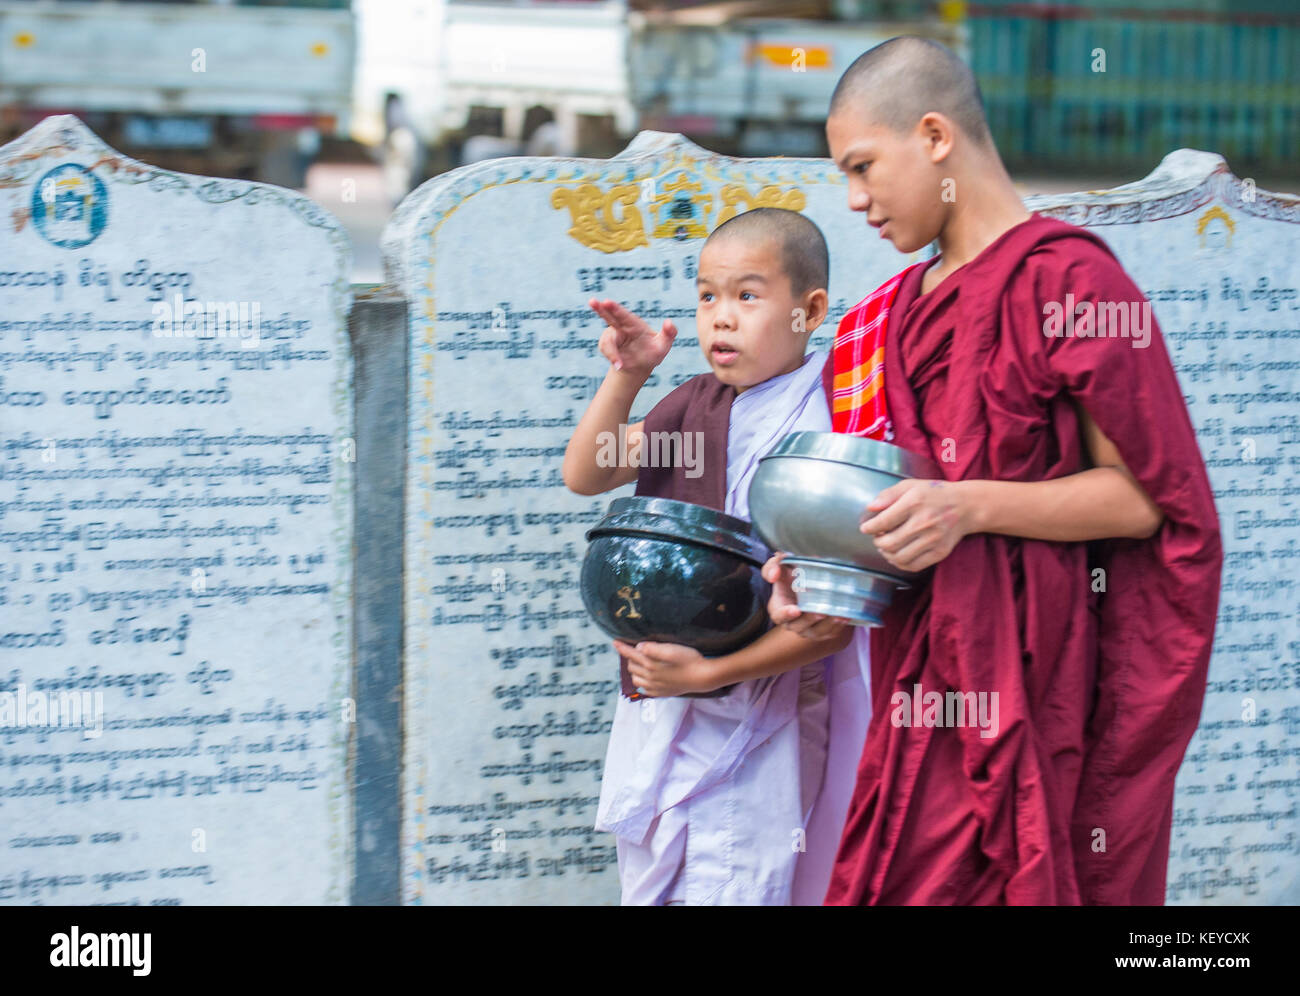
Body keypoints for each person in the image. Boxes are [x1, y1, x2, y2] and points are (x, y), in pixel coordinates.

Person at [762, 37, 1222, 905]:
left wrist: (968, 506)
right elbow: (893, 500)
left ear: (934, 136)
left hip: (1037, 675)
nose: (855, 202)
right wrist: (819, 567)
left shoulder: (1074, 280)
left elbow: (1143, 502)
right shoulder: (896, 313)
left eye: (863, 168)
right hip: (918, 678)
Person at [562, 208, 872, 905]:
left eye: (747, 295)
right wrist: (628, 376)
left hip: (766, 713)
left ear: (809, 309)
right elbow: (587, 472)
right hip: (664, 701)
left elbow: (827, 618)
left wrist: (713, 672)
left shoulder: (827, 423)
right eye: (707, 296)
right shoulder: (696, 410)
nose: (720, 319)